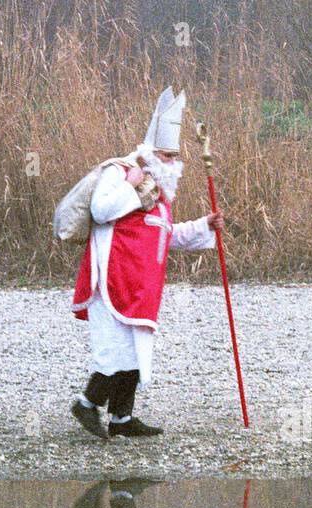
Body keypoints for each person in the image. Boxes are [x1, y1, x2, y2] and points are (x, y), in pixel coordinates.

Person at [69, 88, 223, 439]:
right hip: (112, 279)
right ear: (150, 152)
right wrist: (131, 184)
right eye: (165, 155)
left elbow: (165, 235)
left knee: (136, 353)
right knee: (117, 351)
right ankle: (87, 403)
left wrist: (204, 226)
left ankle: (122, 419)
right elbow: (101, 210)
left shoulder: (160, 198)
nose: (171, 163)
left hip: (141, 286)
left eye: (174, 156)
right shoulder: (122, 171)